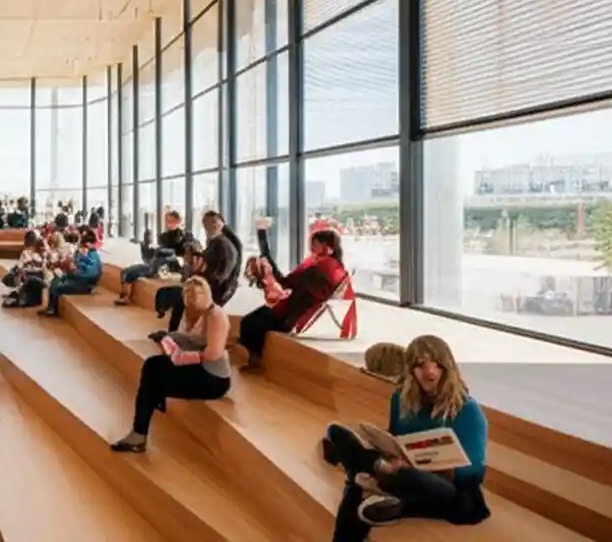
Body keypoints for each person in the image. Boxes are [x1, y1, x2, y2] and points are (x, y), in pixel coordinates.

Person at [325, 335, 488, 539]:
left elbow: (475, 472)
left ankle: (375, 480)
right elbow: (397, 439)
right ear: (411, 370)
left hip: (450, 491)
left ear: (447, 368)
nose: (429, 372)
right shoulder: (400, 399)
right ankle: (380, 474)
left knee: (360, 483)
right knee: (335, 432)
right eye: (421, 365)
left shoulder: (468, 410)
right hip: (402, 470)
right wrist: (390, 455)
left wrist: (441, 467)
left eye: (437, 364)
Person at [111, 276, 231, 452]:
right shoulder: (188, 312)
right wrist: (168, 338)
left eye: (196, 293)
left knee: (154, 379)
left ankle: (139, 432)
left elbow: (214, 353)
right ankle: (140, 430)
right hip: (195, 366)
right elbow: (188, 338)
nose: (191, 297)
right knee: (152, 366)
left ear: (206, 294)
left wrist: (181, 357)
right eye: (188, 293)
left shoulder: (215, 315)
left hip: (213, 377)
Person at [239, 224, 349, 369]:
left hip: (292, 314)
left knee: (250, 322)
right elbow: (289, 283)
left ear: (325, 246)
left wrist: (268, 268)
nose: (312, 247)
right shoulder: (332, 266)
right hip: (292, 309)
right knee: (252, 321)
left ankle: (255, 358)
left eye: (315, 244)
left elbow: (289, 284)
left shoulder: (321, 267)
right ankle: (254, 356)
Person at [117, 210, 191, 305]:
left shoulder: (183, 237)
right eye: (168, 221)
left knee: (134, 272)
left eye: (172, 221)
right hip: (154, 262)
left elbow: (179, 253)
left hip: (161, 264)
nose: (169, 224)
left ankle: (125, 296)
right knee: (126, 271)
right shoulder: (164, 236)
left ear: (178, 222)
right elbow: (155, 253)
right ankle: (124, 295)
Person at [39, 229, 102, 317]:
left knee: (57, 287)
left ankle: (51, 309)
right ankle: (50, 307)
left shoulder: (91, 255)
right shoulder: (86, 253)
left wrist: (73, 272)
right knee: (55, 281)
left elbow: (89, 274)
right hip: (76, 279)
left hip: (83, 284)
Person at [4, 231, 47, 308]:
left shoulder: (26, 253)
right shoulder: (41, 253)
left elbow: (20, 267)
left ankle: (18, 295)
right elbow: (44, 268)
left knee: (18, 276)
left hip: (31, 277)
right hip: (36, 277)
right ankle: (19, 295)